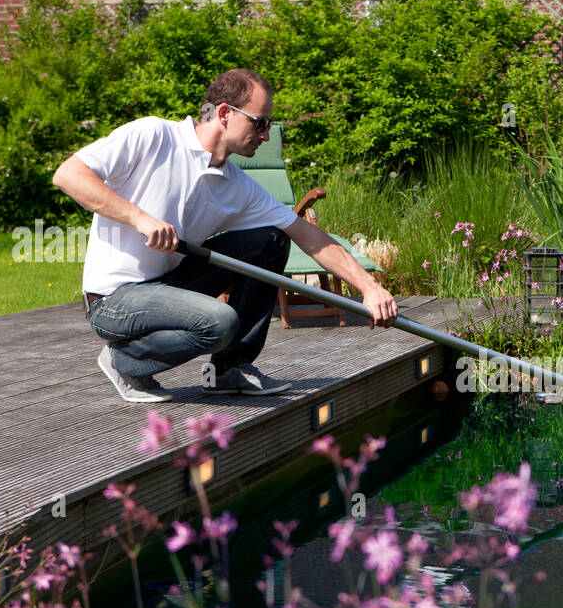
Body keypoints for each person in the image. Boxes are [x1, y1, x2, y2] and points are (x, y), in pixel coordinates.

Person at [53, 68, 398, 403]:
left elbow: (309, 236)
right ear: (223, 113)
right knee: (219, 322)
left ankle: (229, 370)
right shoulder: (153, 135)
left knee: (270, 240)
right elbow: (68, 175)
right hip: (114, 300)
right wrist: (139, 218)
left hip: (168, 286)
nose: (265, 134)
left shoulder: (237, 185)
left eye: (269, 125)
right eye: (259, 122)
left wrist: (369, 287)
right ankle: (125, 362)